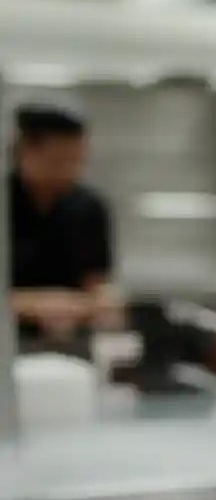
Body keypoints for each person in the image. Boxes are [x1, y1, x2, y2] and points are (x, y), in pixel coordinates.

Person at [9, 102, 121, 340]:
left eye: (77, 161)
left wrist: (103, 303)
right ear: (25, 152)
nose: (69, 172)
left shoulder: (88, 207)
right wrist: (35, 304)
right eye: (58, 161)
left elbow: (96, 280)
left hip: (70, 338)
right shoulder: (5, 204)